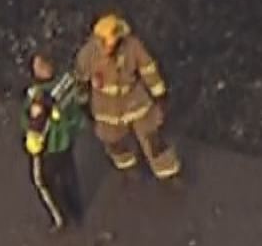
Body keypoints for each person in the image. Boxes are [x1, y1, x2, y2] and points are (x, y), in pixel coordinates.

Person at [73, 13, 181, 180]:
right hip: (105, 105)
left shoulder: (132, 46)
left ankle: (167, 170)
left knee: (152, 136)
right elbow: (81, 80)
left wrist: (159, 94)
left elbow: (148, 69)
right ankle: (127, 164)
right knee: (113, 140)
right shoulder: (88, 54)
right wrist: (84, 104)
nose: (111, 47)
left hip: (134, 99)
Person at [23, 54, 88, 231]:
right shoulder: (68, 82)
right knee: (69, 176)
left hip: (49, 148)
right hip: (66, 143)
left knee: (44, 182)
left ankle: (61, 218)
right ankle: (77, 211)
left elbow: (29, 122)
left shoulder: (36, 95)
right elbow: (80, 106)